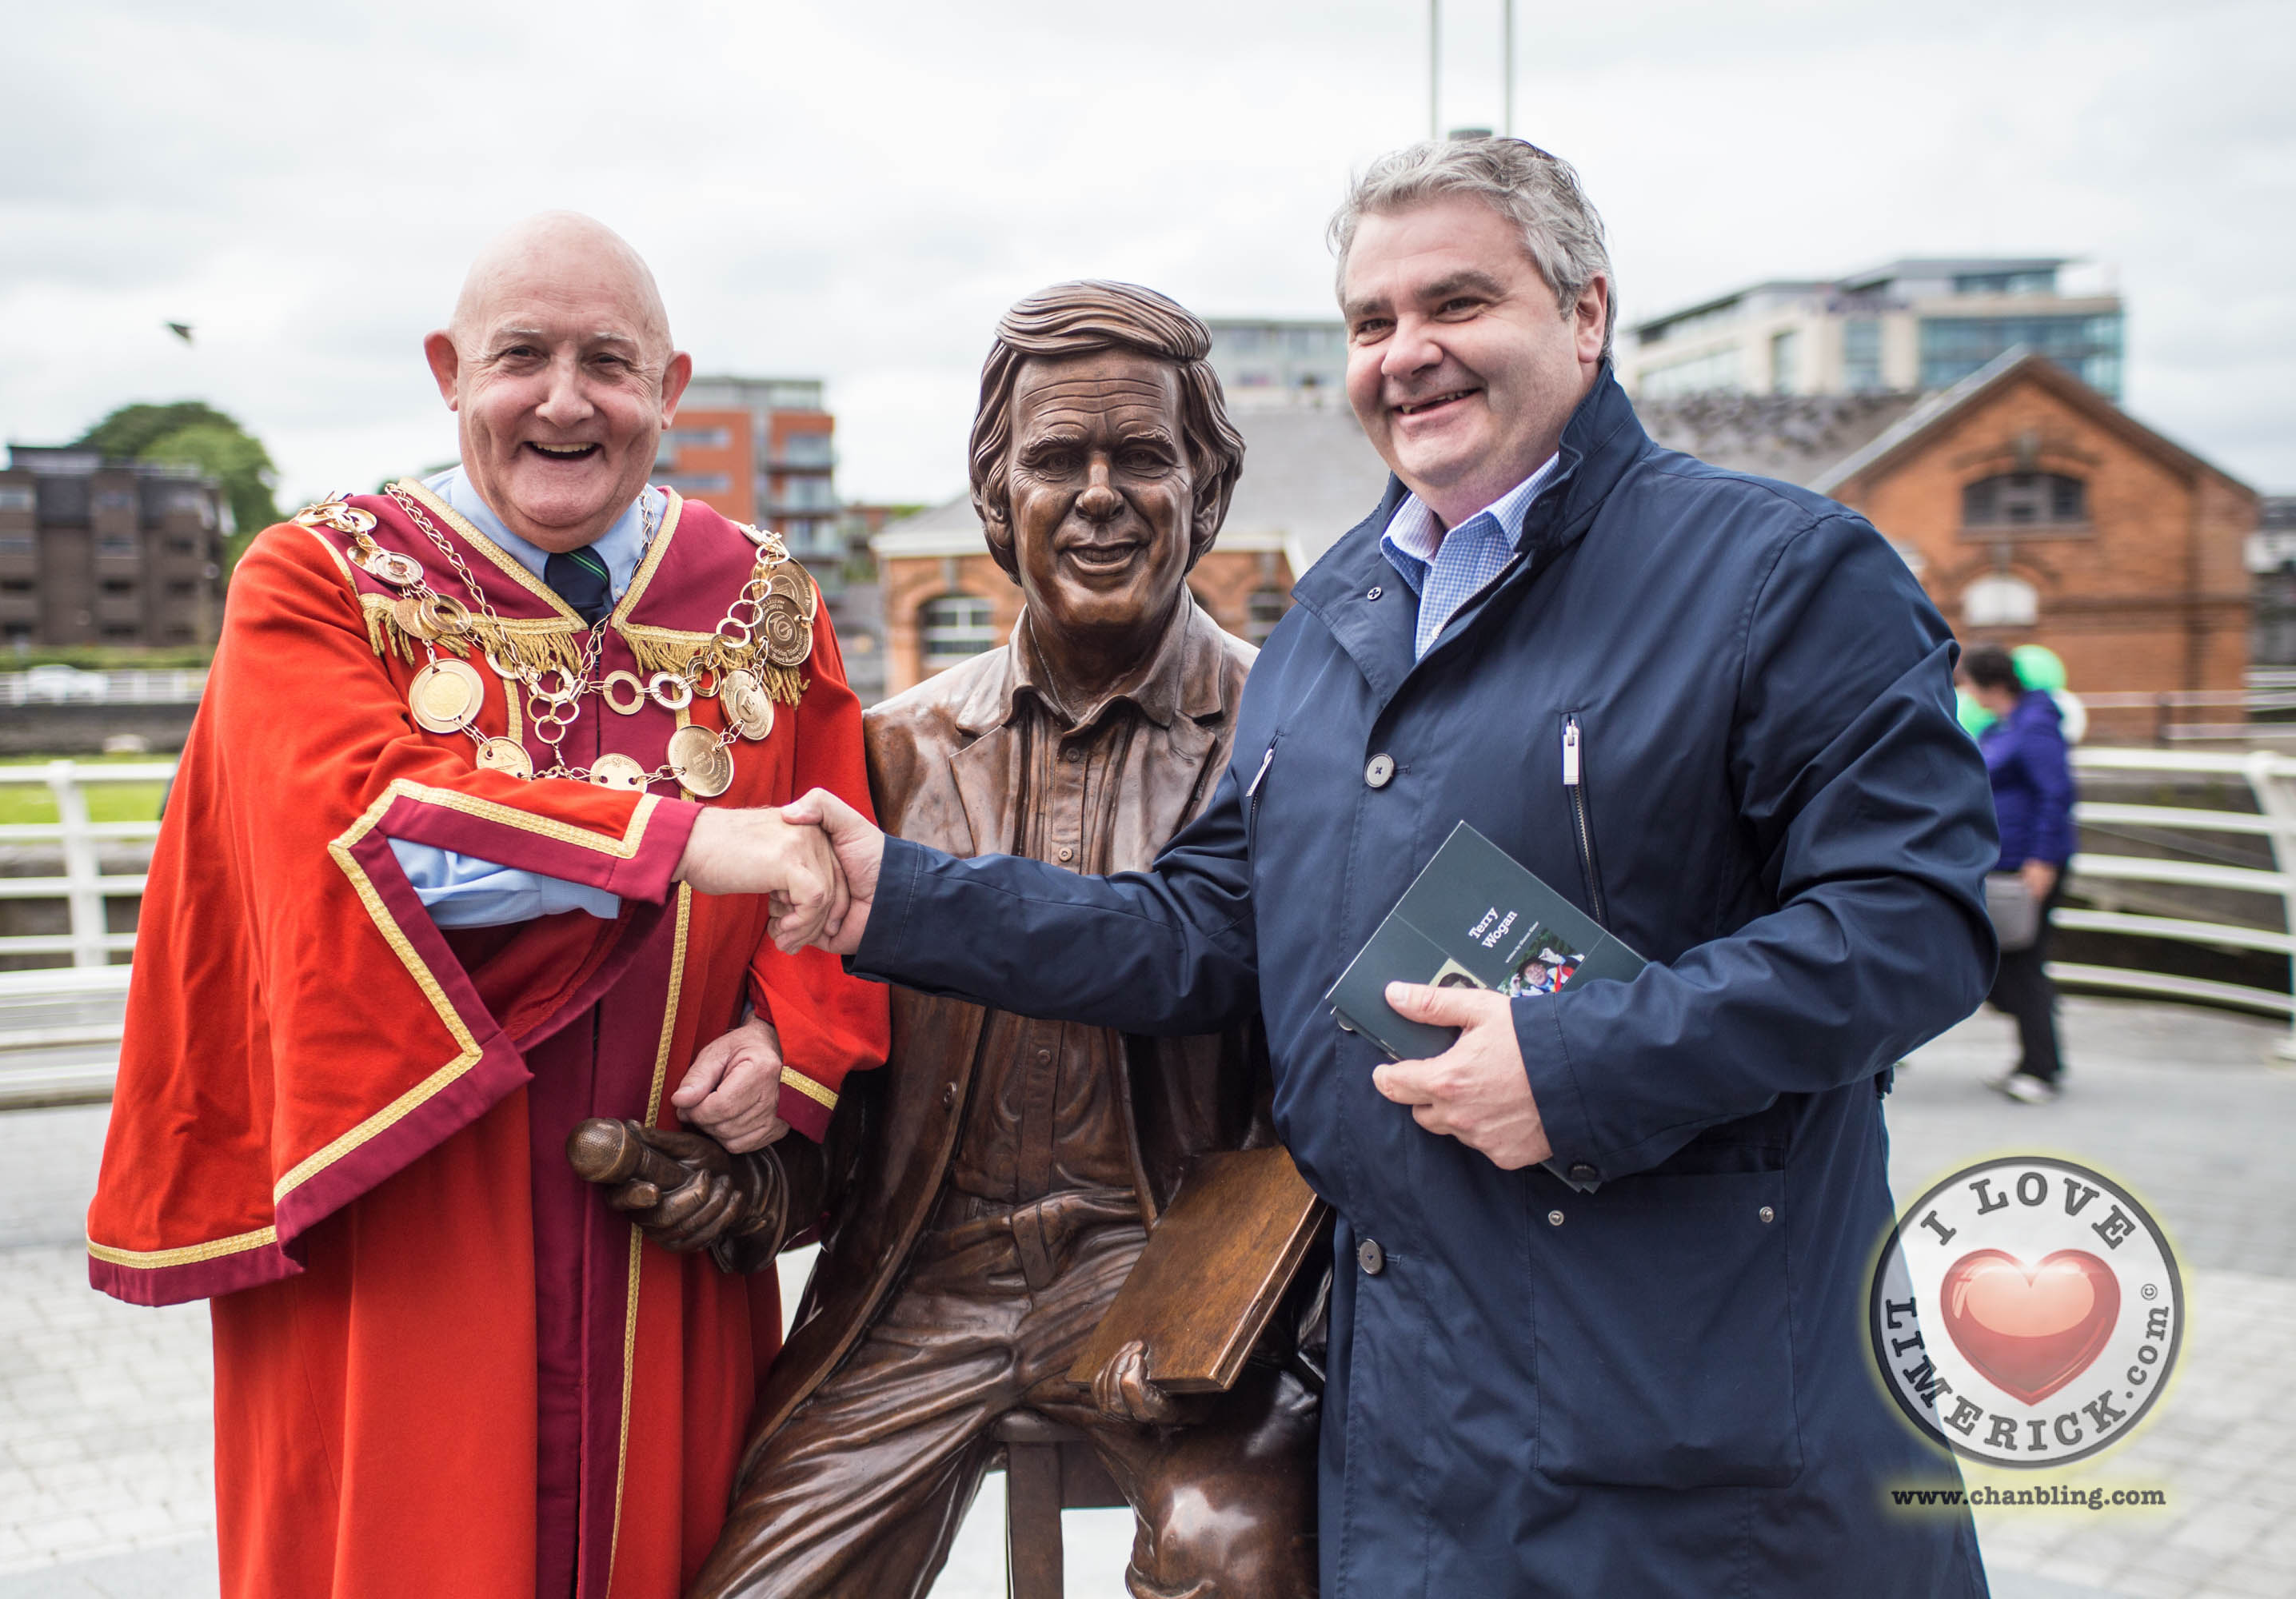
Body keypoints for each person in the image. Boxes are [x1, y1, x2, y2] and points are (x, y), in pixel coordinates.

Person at [782, 138, 2001, 1595]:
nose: (1408, 355)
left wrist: (1580, 1059)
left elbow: (1912, 925)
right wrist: (889, 893)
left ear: (1586, 313)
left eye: (1456, 306)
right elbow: (1201, 932)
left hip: (1696, 1411)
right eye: (1373, 324)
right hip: (1419, 1425)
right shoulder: (1337, 621)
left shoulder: (1779, 575)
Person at [86, 213, 888, 1599]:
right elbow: (372, 822)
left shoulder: (762, 602)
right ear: (450, 372)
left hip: (666, 1209)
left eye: (610, 363)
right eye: (523, 357)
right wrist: (685, 840)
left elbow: (836, 854)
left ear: (672, 389)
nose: (566, 401)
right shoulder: (319, 581)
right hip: (407, 1204)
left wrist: (793, 1046)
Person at [592, 280, 1321, 1598]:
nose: (1099, 495)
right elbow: (847, 1077)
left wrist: (1260, 1305)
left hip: (1168, 1281)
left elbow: (1317, 1092)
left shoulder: (1290, 736)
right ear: (998, 496)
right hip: (922, 1290)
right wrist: (754, 1187)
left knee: (1240, 1555)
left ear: (1204, 492)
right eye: (1055, 460)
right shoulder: (893, 749)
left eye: (1142, 457)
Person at [1960, 640, 2077, 1103]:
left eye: (1968, 682)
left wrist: (2043, 861)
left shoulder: (2034, 725)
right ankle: (2036, 1058)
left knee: (2022, 965)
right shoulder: (2009, 724)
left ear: (1991, 684)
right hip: (2007, 865)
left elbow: (2056, 794)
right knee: (2012, 964)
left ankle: (2041, 1068)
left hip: (2030, 868)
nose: (1964, 692)